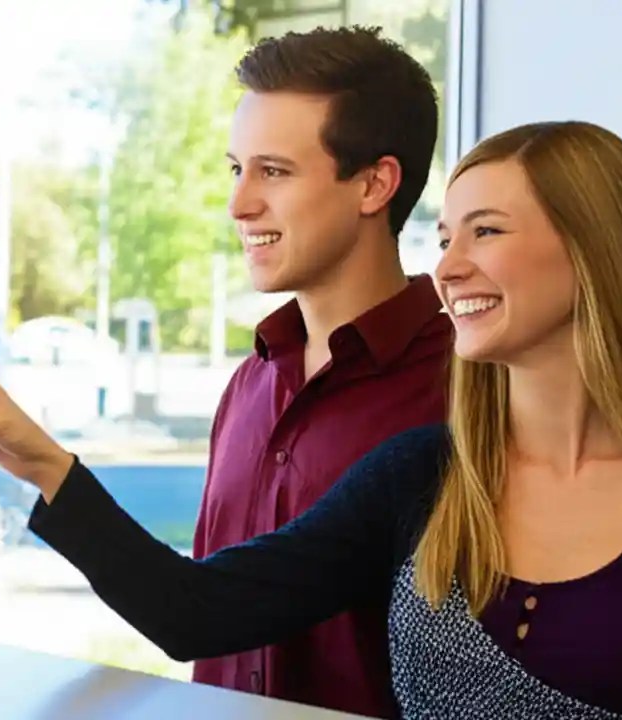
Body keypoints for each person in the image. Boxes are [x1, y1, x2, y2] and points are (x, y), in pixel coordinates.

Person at [0, 120, 622, 718]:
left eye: (487, 231)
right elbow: (197, 612)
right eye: (444, 237)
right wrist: (42, 463)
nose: (448, 265)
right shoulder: (420, 477)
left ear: (597, 252)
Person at [193, 26, 448, 716]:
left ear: (374, 184)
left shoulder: (470, 393)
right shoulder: (248, 385)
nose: (239, 204)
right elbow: (202, 610)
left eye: (272, 171)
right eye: (235, 169)